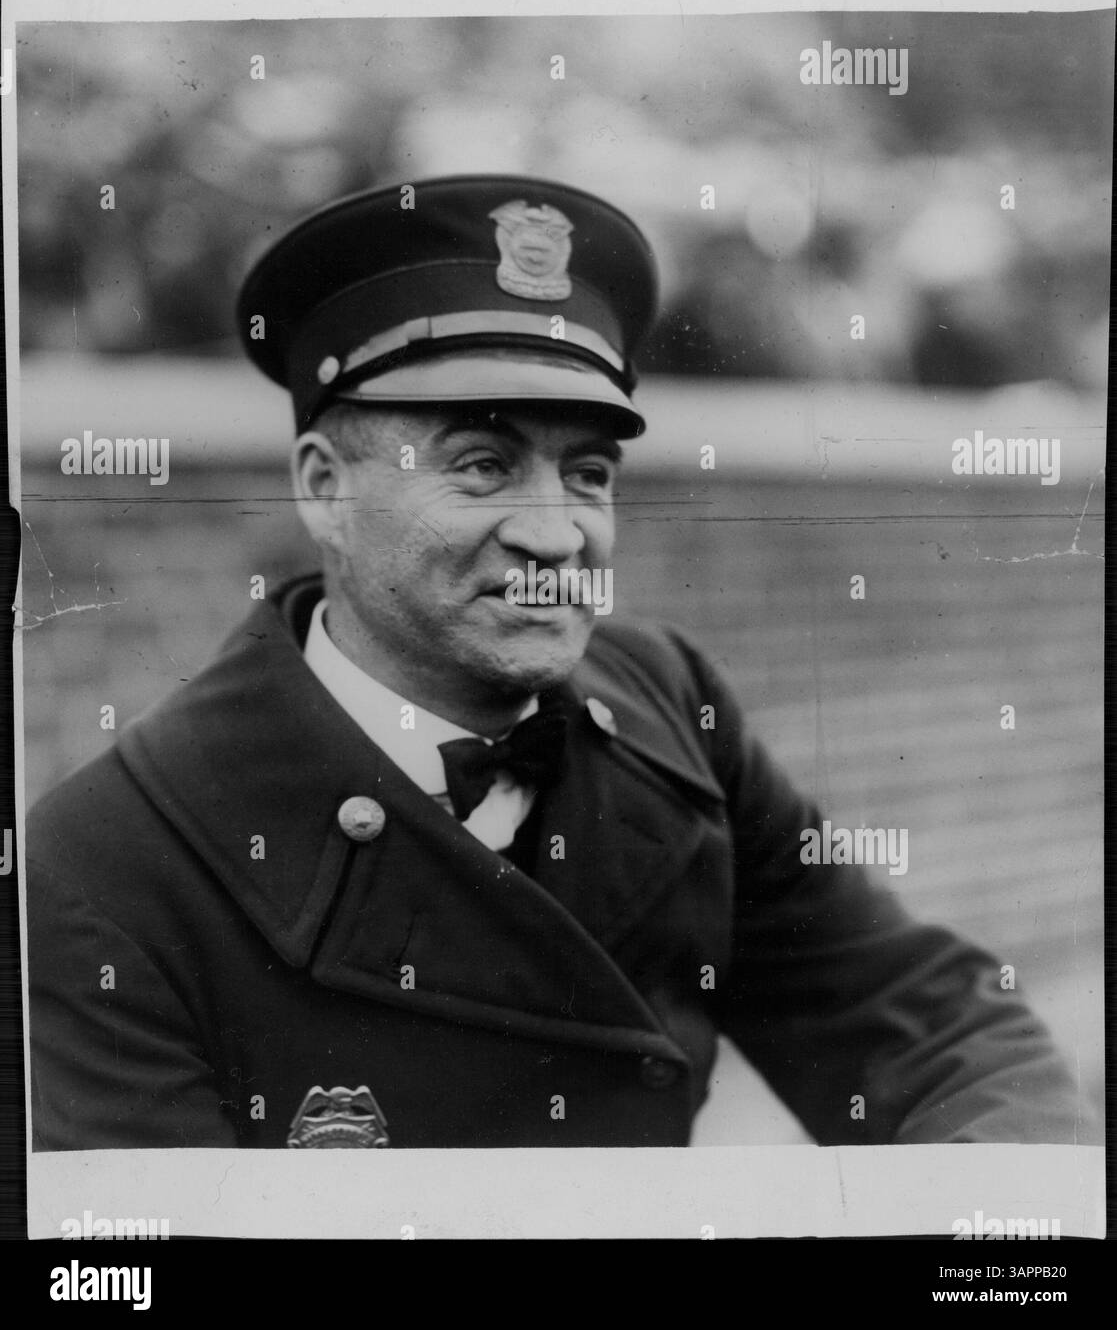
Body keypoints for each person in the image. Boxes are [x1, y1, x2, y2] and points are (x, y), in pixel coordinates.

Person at [26, 175, 1077, 1150]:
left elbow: (922, 1016)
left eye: (585, 474)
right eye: (482, 466)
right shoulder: (107, 871)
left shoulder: (667, 704)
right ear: (325, 489)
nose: (558, 535)